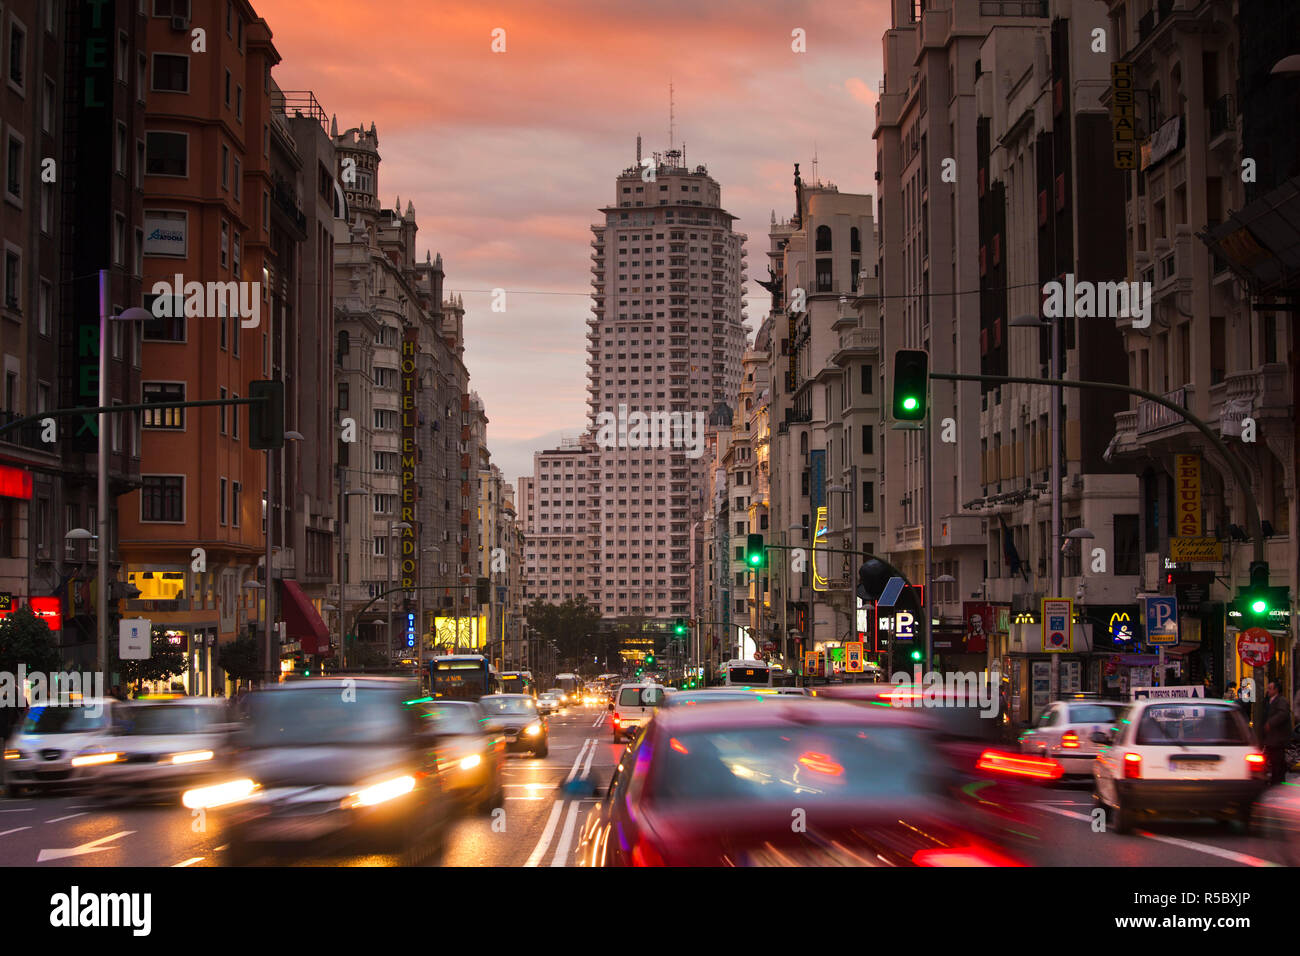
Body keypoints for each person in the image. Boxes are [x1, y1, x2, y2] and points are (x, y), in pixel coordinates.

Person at [1261, 680, 1292, 785]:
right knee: (1274, 762)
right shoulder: (1269, 701)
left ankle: (1278, 782)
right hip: (1271, 739)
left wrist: (1271, 723)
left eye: (1270, 688)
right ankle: (1275, 780)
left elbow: (1283, 714)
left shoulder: (1281, 701)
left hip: (1278, 739)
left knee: (1277, 761)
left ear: (1276, 690)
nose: (1268, 690)